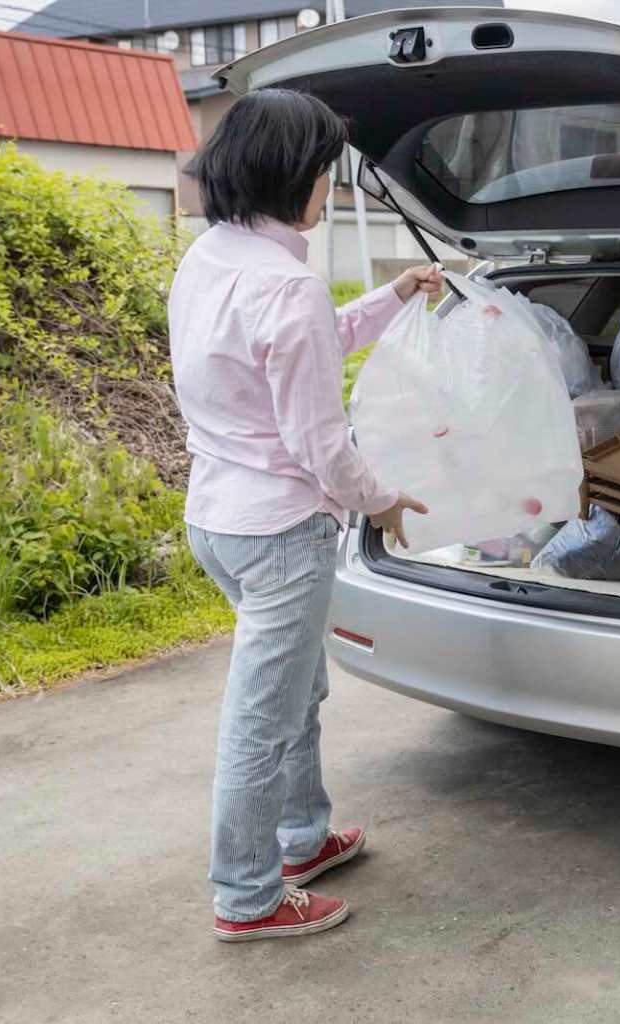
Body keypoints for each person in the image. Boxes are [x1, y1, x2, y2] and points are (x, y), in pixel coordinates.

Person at [168, 88, 441, 942]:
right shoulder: (284, 285)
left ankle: (303, 839)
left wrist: (393, 296)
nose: (330, 187)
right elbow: (321, 444)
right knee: (264, 715)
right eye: (326, 172)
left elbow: (302, 342)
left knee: (294, 690)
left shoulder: (212, 257)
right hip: (282, 531)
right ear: (295, 174)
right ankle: (247, 897)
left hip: (217, 517)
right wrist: (385, 502)